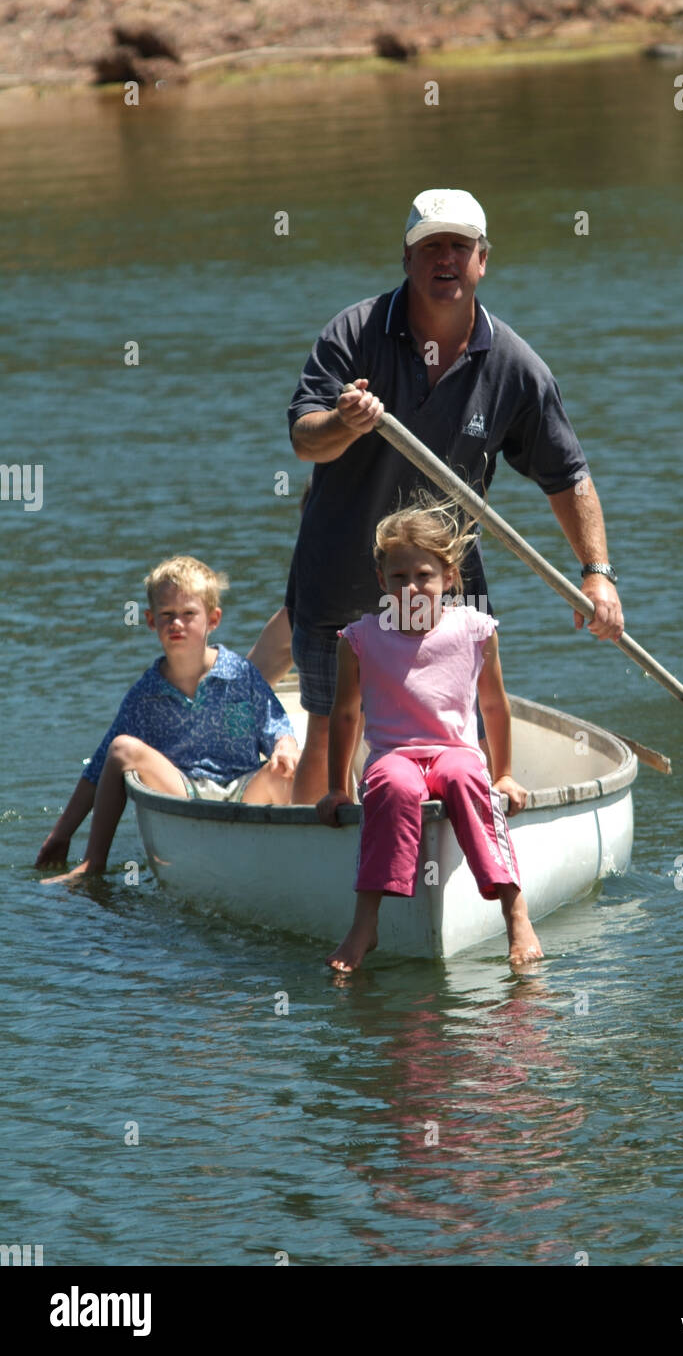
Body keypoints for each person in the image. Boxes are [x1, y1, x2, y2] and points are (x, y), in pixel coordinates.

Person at [260, 187, 624, 804]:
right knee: (326, 732)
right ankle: (322, 864)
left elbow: (568, 476)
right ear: (407, 260)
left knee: (457, 730)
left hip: (446, 583)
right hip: (339, 577)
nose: (445, 259)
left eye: (459, 246)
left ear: (483, 259)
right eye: (430, 247)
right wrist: (344, 423)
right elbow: (304, 440)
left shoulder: (514, 367)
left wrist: (597, 574)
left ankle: (460, 853)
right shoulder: (354, 332)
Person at [316, 498, 542, 972]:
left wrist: (504, 773)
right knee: (391, 786)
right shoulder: (361, 639)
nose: (412, 587)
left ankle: (515, 913)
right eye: (399, 578)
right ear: (382, 581)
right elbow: (344, 715)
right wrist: (337, 787)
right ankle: (366, 924)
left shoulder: (475, 630)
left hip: (453, 751)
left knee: (465, 777)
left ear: (450, 577)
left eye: (424, 575)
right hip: (394, 754)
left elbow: (495, 705)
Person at [37, 555, 300, 883]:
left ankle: (298, 865)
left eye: (189, 614)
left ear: (213, 619)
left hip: (245, 789)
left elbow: (277, 727)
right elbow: (99, 766)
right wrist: (60, 835)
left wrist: (285, 745)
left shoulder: (241, 674)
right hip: (183, 791)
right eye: (167, 615)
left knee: (286, 766)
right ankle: (93, 864)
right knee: (122, 748)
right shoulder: (146, 692)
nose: (177, 623)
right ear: (150, 620)